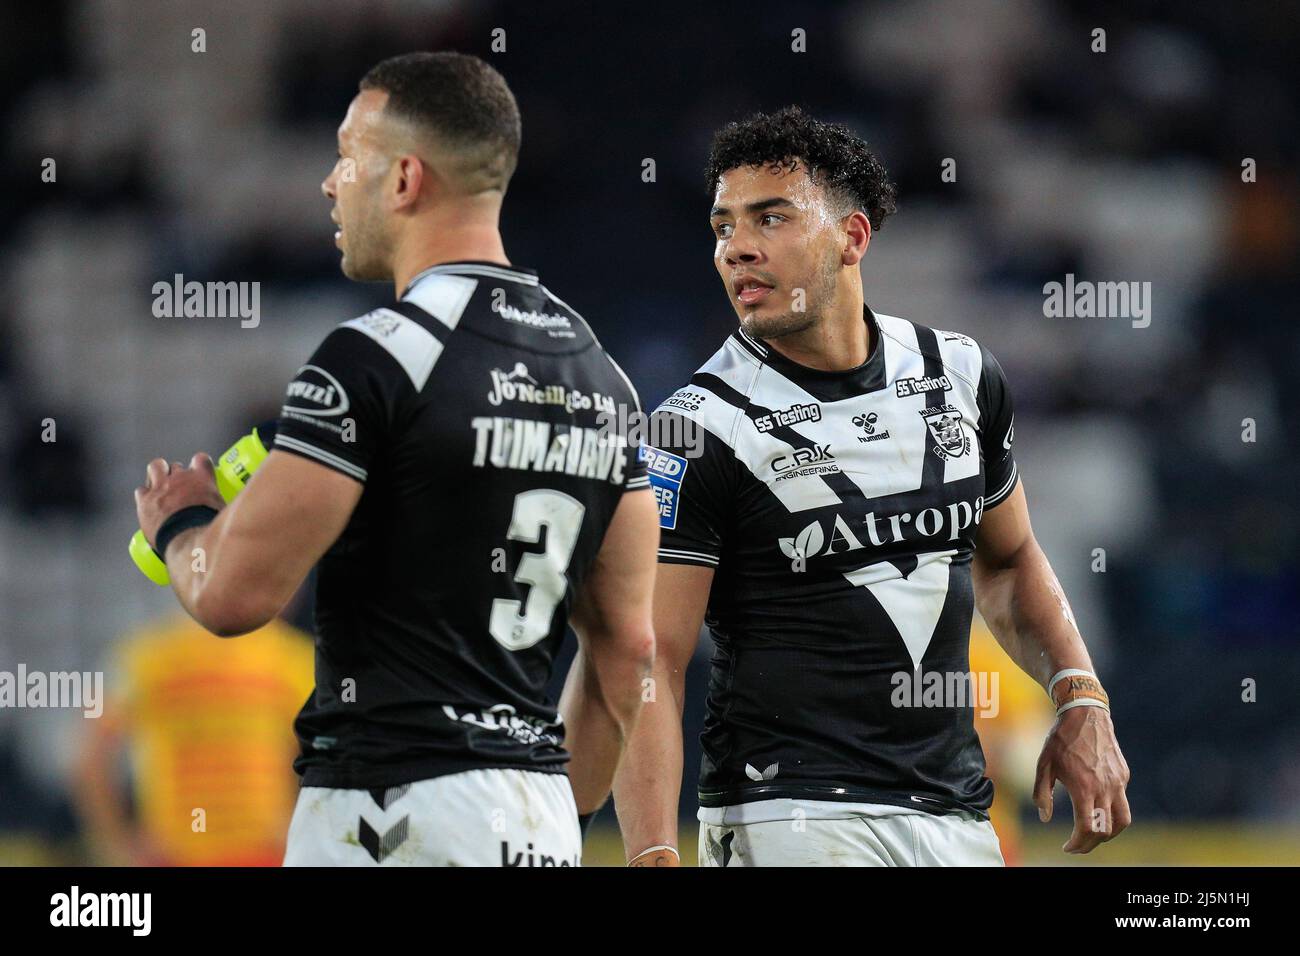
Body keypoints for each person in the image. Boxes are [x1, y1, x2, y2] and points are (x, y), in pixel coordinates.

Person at [132, 52, 657, 866]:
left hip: (386, 812)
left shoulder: (375, 358)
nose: (330, 183)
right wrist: (553, 813)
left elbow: (232, 598)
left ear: (406, 179)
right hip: (535, 816)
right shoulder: (607, 380)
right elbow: (627, 651)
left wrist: (183, 525)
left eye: (349, 155)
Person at [613, 106, 1130, 867]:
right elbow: (650, 657)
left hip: (958, 816)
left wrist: (1081, 694)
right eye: (723, 227)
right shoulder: (692, 431)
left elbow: (1010, 561)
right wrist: (653, 852)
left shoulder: (959, 373)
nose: (737, 250)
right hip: (791, 815)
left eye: (771, 218)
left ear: (852, 237)